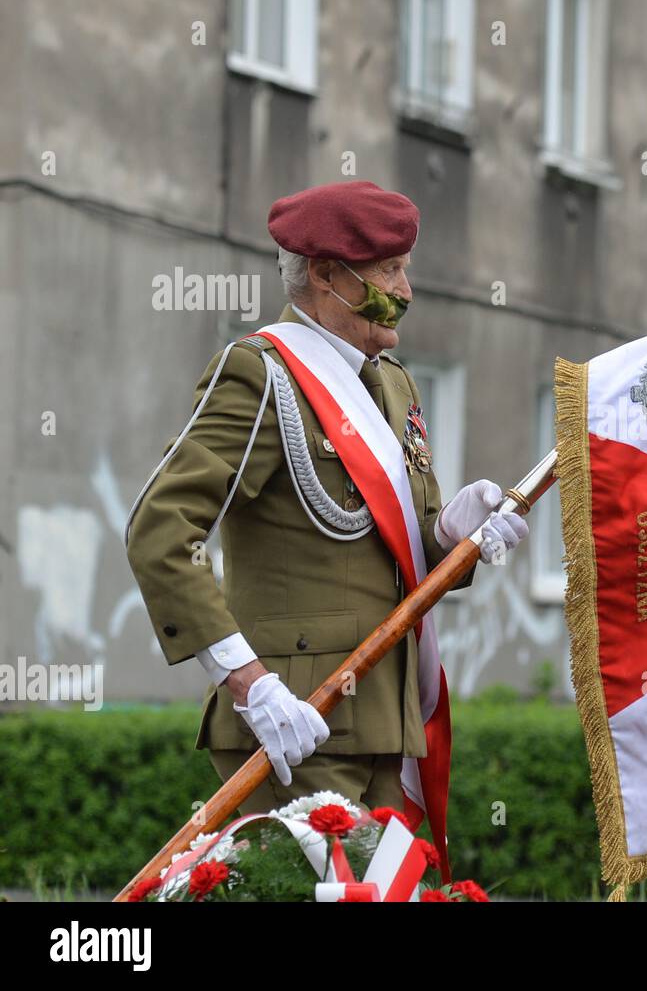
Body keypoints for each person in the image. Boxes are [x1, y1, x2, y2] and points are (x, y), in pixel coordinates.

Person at [125, 180, 527, 825]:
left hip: (384, 722)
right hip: (294, 723)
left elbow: (397, 545)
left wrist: (454, 537)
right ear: (324, 274)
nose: (405, 291)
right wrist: (250, 685)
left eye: (404, 268)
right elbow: (159, 530)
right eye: (389, 270)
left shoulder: (392, 384)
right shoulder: (259, 373)